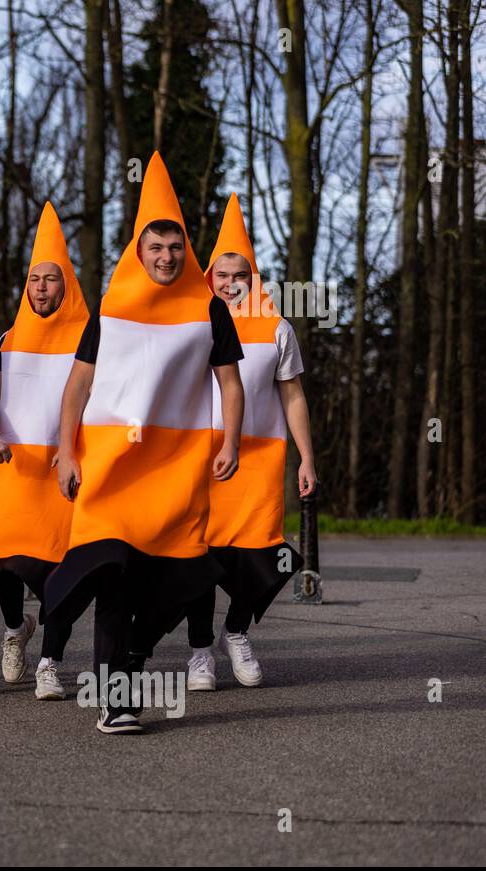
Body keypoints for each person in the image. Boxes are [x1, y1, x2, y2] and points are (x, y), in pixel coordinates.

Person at [45, 152, 244, 734]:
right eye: (156, 247)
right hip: (110, 470)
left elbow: (229, 383)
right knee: (114, 575)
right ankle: (117, 701)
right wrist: (68, 450)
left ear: (188, 251)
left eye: (176, 247)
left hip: (177, 471)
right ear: (138, 250)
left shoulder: (209, 310)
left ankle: (131, 656)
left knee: (187, 578)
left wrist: (230, 441)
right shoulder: (108, 310)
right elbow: (78, 385)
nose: (166, 257)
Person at [0, 202, 88, 700]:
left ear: (66, 283)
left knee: (57, 573)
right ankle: (14, 630)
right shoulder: (9, 338)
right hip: (11, 468)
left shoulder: (90, 338)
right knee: (2, 563)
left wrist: (73, 450)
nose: (41, 288)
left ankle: (51, 661)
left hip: (64, 470)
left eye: (50, 279)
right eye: (34, 280)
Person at [184, 194, 314, 691]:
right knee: (202, 554)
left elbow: (293, 395)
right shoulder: (193, 326)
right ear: (209, 279)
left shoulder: (277, 328)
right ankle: (200, 652)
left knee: (263, 554)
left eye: (241, 275)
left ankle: (235, 631)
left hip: (260, 458)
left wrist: (307, 457)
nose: (231, 283)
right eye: (222, 275)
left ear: (254, 278)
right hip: (204, 456)